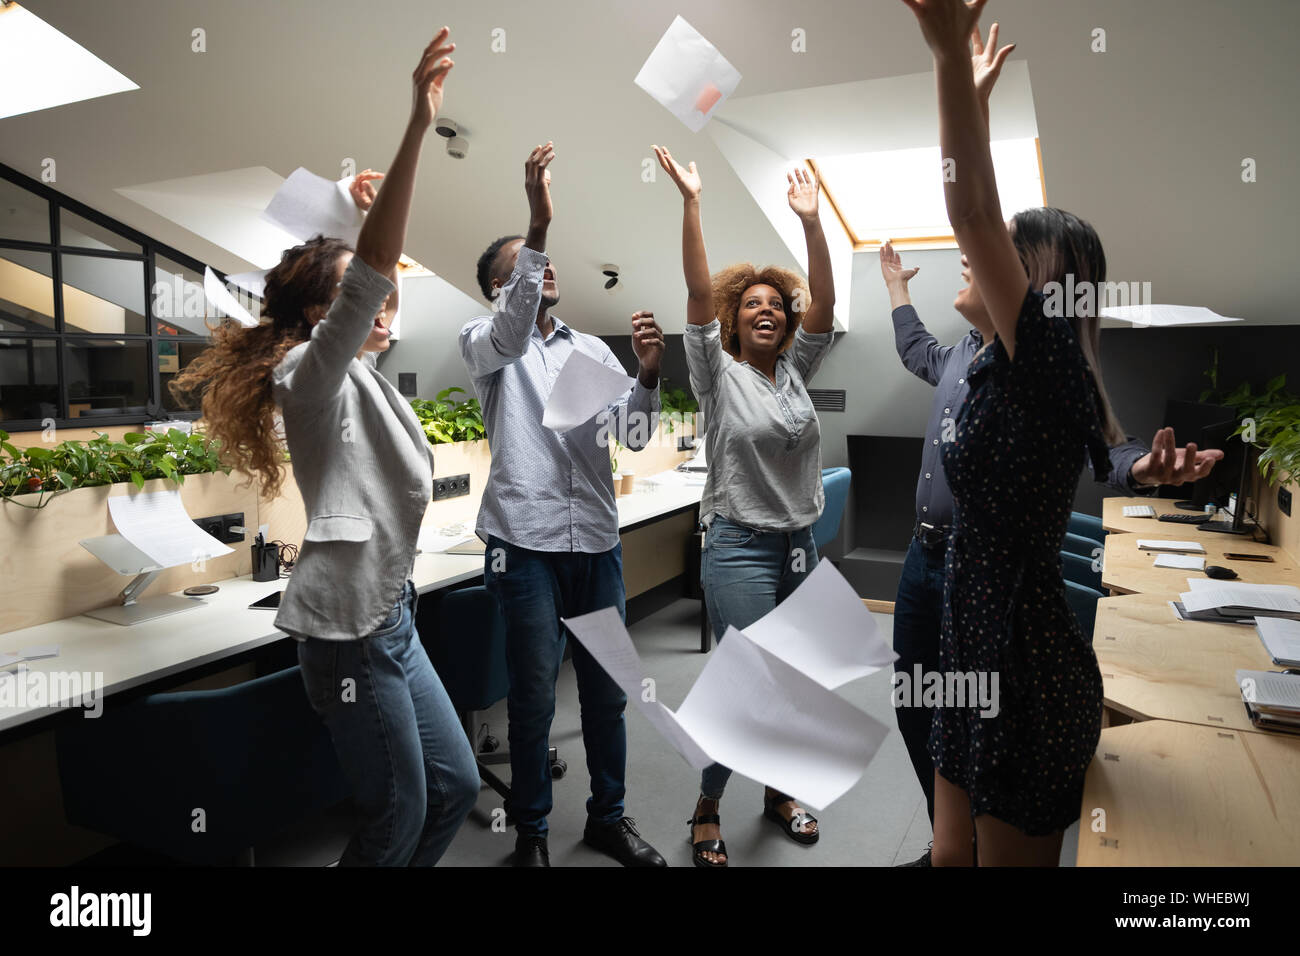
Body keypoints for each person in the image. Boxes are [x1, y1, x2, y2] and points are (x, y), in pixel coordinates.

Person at [881, 23, 1222, 867]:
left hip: (1020, 663)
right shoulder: (993, 367)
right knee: (949, 853)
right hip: (966, 632)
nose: (968, 249)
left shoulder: (1046, 368)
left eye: (999, 250)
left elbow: (971, 208)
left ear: (1038, 289)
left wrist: (949, 62)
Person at [170, 27, 478, 866]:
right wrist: (417, 124)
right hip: (350, 633)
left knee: (454, 788)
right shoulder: (308, 372)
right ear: (320, 319)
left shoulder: (361, 377)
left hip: (392, 614)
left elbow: (362, 273)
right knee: (395, 817)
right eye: (358, 302)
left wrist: (348, 211)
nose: (383, 308)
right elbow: (368, 271)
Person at [462, 143, 669, 868]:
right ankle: (532, 836)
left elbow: (633, 437)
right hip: (526, 547)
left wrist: (646, 377)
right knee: (534, 701)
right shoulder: (488, 346)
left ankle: (607, 818)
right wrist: (537, 223)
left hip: (597, 548)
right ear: (500, 285)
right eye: (523, 264)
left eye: (543, 260)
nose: (543, 269)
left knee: (610, 695)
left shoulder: (591, 351)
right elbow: (512, 325)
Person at [654, 146, 836, 867]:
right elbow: (697, 294)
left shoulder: (796, 370)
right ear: (736, 320)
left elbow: (820, 297)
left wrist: (814, 224)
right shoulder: (716, 375)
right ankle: (708, 801)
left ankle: (778, 790)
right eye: (752, 305)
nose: (766, 311)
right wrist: (692, 202)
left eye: (776, 305)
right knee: (751, 681)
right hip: (738, 547)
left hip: (800, 546)